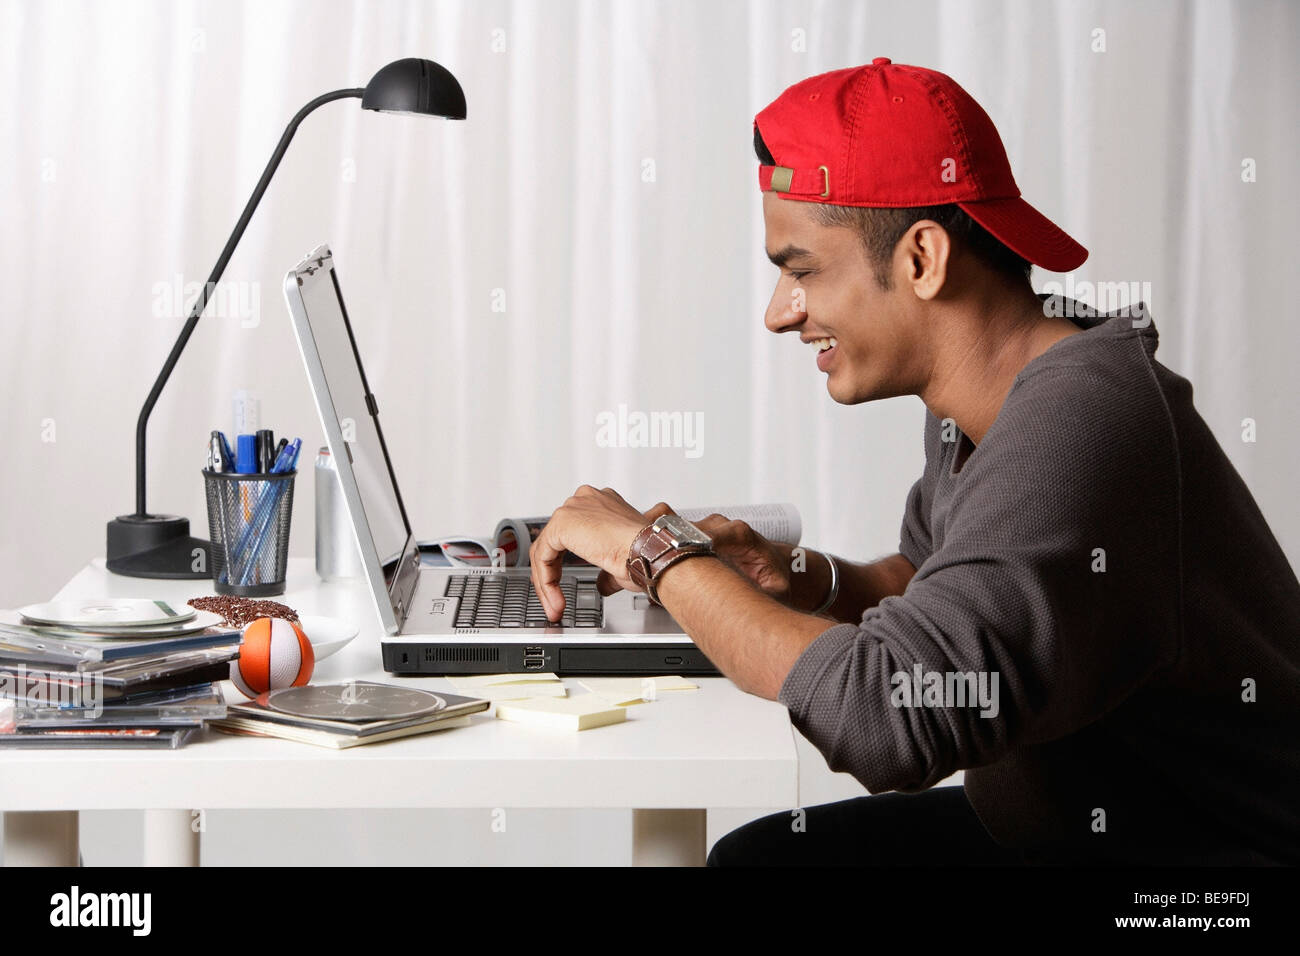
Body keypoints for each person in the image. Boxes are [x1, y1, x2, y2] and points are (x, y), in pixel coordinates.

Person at [527, 59, 1300, 865]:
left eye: (801, 270)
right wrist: (804, 578)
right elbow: (931, 584)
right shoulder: (996, 395)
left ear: (922, 259)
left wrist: (653, 554)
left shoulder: (1080, 422)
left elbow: (889, 714)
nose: (779, 314)